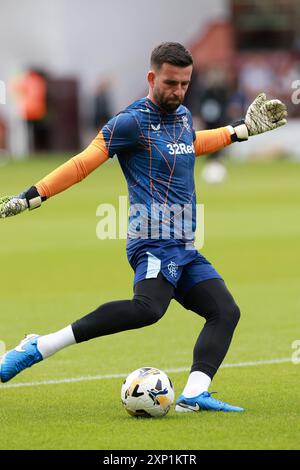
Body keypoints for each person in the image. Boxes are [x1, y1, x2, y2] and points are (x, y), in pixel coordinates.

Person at [0, 43, 287, 412]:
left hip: (183, 244)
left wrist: (241, 131)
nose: (178, 91)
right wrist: (32, 196)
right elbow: (82, 163)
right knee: (148, 309)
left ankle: (194, 394)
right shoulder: (129, 121)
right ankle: (39, 346)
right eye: (171, 83)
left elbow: (190, 144)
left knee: (224, 311)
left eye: (185, 83)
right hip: (151, 239)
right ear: (152, 78)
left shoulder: (183, 115)